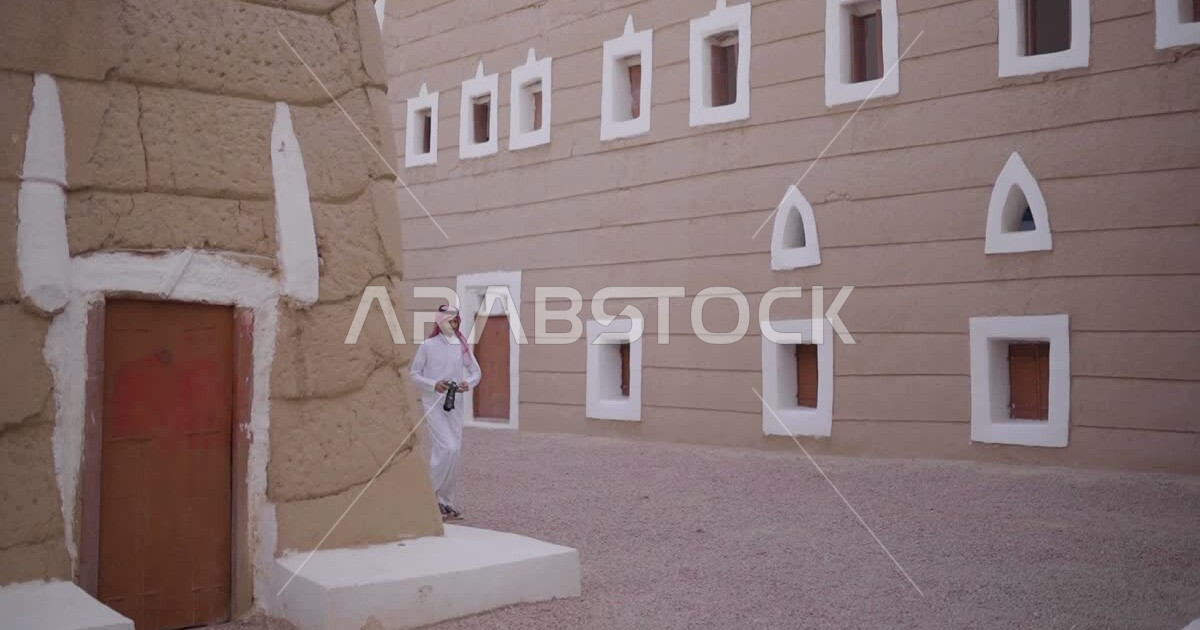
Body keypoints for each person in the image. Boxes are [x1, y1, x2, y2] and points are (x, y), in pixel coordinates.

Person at [409, 304, 481, 522]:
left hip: (455, 404)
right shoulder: (428, 345)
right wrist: (434, 384)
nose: (454, 324)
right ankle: (426, 499)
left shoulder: (462, 345)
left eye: (456, 321)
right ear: (440, 322)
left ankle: (446, 502)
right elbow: (414, 374)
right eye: (450, 321)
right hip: (434, 404)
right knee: (446, 448)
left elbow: (476, 373)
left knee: (455, 451)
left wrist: (467, 383)